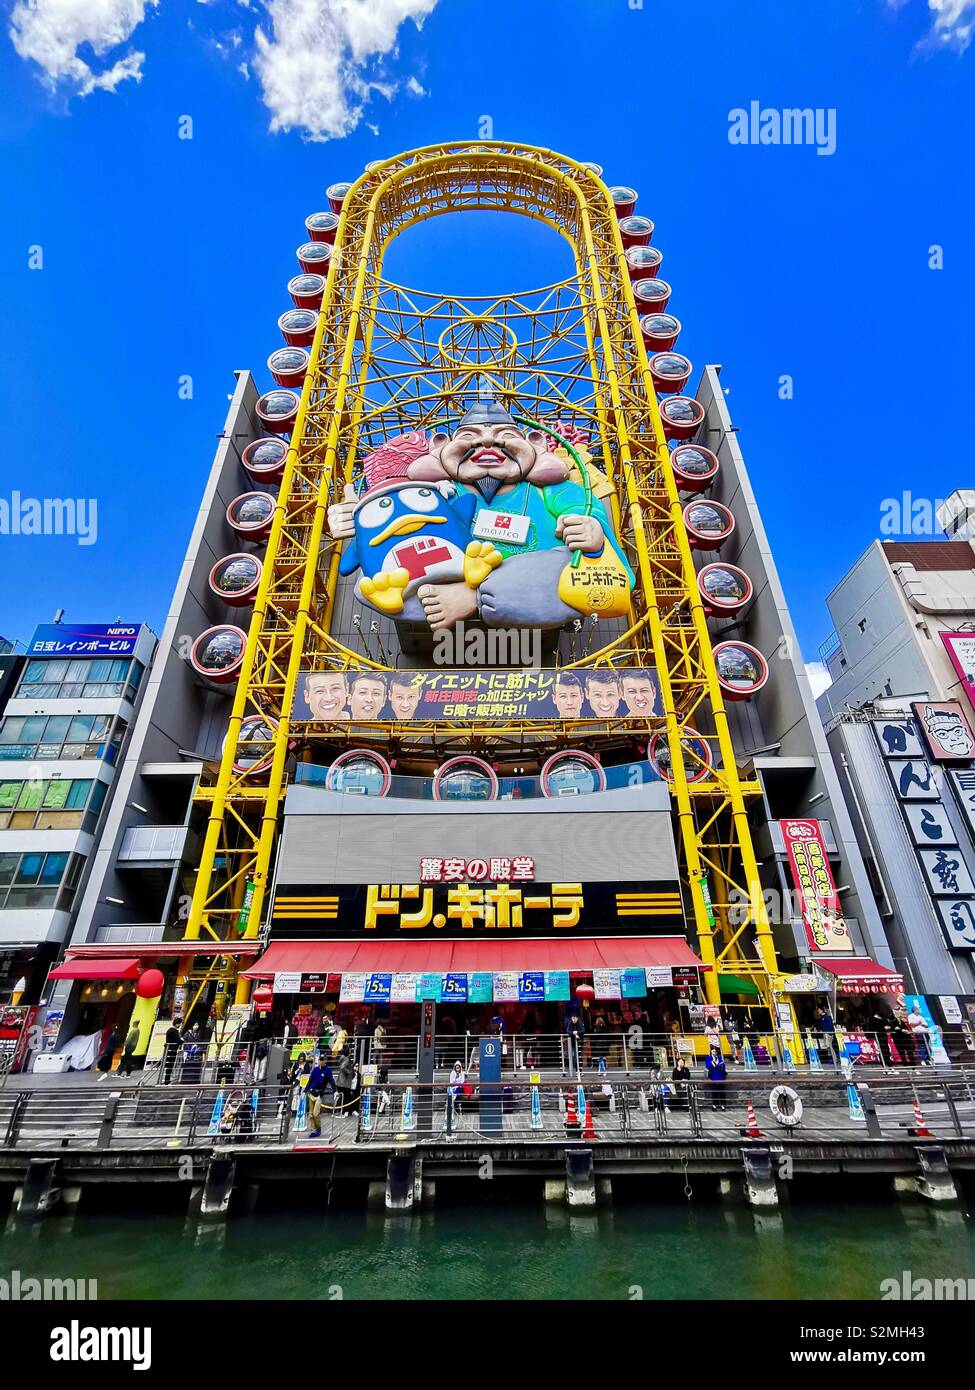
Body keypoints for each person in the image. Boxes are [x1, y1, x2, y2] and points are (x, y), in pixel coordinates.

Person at [307, 1057, 335, 1138]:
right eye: (320, 1060)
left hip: (319, 1094)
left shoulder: (327, 1071)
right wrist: (306, 1090)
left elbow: (332, 1082)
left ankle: (318, 1128)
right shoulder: (315, 1070)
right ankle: (313, 1130)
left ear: (325, 1061)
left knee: (316, 1113)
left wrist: (335, 1091)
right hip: (311, 1093)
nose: (321, 1061)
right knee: (311, 1114)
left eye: (323, 1060)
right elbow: (310, 1080)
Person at [333, 1049, 359, 1113]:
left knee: (342, 1097)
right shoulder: (347, 1059)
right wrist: (349, 1072)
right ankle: (344, 1111)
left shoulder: (341, 1058)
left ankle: (339, 1110)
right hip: (345, 1082)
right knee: (346, 1097)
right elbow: (343, 1067)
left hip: (340, 1081)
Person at [163, 1018, 183, 1084]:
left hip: (169, 1050)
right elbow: (178, 1041)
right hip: (172, 1050)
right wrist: (182, 1041)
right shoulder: (174, 1031)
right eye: (180, 1023)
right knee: (170, 1065)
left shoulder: (169, 1030)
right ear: (177, 1024)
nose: (180, 1025)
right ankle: (167, 1080)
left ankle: (167, 1079)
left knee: (169, 1065)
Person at [565, 1011, 585, 1076]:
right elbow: (568, 1030)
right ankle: (577, 1071)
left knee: (579, 1056)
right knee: (575, 1057)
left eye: (574, 1018)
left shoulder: (580, 1022)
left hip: (580, 1042)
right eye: (572, 1018)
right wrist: (574, 1033)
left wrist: (577, 1032)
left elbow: (583, 1030)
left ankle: (580, 1071)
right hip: (573, 1043)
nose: (573, 1020)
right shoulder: (570, 1022)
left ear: (577, 1018)